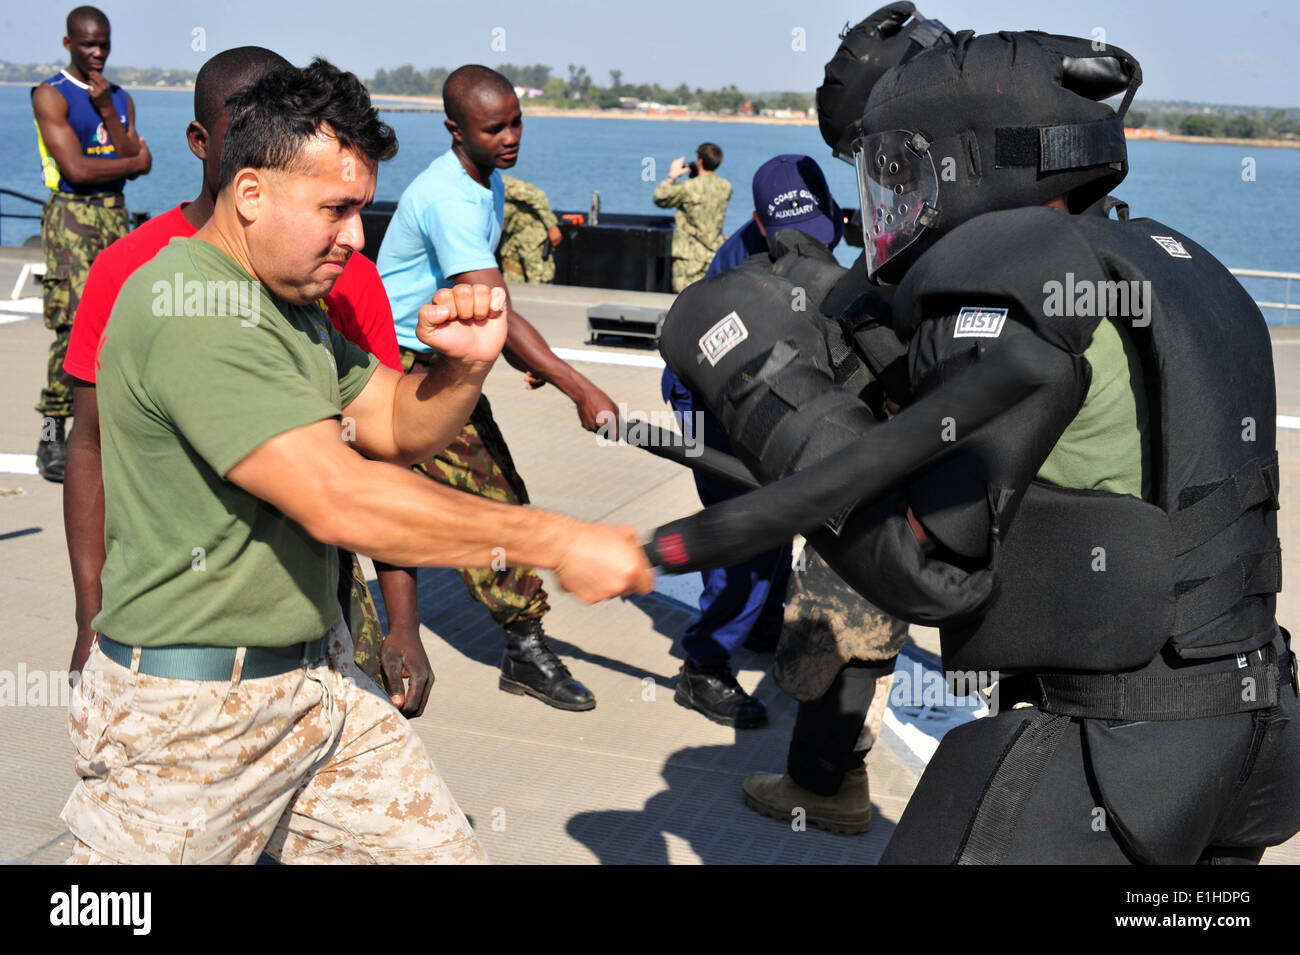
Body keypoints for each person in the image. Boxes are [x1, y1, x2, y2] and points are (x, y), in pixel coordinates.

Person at [649, 30, 1300, 864]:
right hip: (1247, 737)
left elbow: (923, 563)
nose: (892, 198)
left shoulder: (1010, 265)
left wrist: (757, 379)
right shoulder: (1174, 264)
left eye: (899, 171)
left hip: (1107, 751)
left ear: (968, 162)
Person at [64, 58, 653, 865]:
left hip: (318, 682)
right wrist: (552, 540)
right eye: (335, 210)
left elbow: (395, 421)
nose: (355, 236)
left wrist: (466, 365)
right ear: (250, 195)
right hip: (189, 717)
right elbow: (340, 498)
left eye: (361, 209)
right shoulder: (191, 307)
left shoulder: (289, 305)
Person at [61, 47, 432, 714]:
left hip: (321, 583)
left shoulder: (345, 273)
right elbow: (88, 446)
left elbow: (389, 443)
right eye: (249, 125)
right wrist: (90, 614)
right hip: (178, 627)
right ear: (205, 141)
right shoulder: (130, 271)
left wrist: (402, 616)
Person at [378, 64, 623, 712]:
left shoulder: (485, 180)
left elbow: (486, 307)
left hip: (443, 356)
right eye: (495, 127)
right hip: (408, 370)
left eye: (517, 120)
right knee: (486, 510)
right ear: (456, 130)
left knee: (502, 500)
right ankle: (524, 644)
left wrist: (521, 356)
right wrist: (580, 387)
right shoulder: (452, 198)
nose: (512, 135)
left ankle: (520, 635)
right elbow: (496, 311)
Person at [659, 154, 843, 732]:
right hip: (716, 396)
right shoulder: (739, 270)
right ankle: (703, 665)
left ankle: (762, 624)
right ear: (761, 225)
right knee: (749, 534)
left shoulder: (816, 224)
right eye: (791, 235)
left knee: (780, 516)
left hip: (768, 384)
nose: (805, 245)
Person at [31, 5, 151, 482]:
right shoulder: (50, 95)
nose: (97, 52)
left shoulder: (119, 97)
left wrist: (106, 112)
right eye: (87, 45)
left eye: (103, 43)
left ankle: (105, 426)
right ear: (69, 45)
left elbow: (132, 157)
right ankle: (50, 436)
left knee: (119, 322)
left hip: (114, 216)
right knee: (71, 326)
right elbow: (78, 170)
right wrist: (132, 164)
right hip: (71, 219)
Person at [653, 142, 731, 292]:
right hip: (712, 254)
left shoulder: (688, 187)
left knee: (685, 300)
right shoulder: (725, 187)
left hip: (689, 258)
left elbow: (660, 197)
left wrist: (672, 176)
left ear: (700, 160)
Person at [499, 175, 562, 283]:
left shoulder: (498, 182)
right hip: (512, 237)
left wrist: (552, 226)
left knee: (538, 280)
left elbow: (536, 194)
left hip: (532, 233)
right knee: (511, 279)